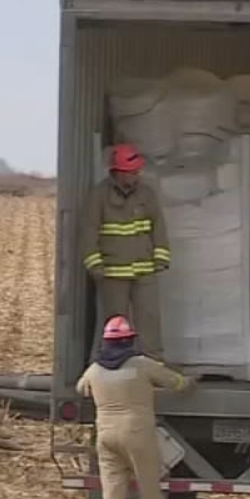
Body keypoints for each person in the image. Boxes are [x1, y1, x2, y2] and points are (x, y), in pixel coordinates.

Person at [76, 314, 190, 499]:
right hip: (136, 431)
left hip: (106, 434)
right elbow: (176, 383)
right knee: (147, 479)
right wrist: (191, 381)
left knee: (112, 481)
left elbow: (81, 388)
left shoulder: (94, 370)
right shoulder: (142, 365)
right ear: (129, 341)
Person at [80, 143, 170, 359]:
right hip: (113, 273)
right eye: (131, 172)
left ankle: (153, 364)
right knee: (116, 323)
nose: (136, 175)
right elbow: (88, 231)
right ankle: (116, 363)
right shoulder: (99, 196)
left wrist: (161, 256)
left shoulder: (147, 194)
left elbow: (158, 226)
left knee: (149, 319)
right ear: (118, 172)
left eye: (137, 171)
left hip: (144, 270)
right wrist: (94, 264)